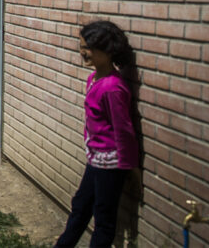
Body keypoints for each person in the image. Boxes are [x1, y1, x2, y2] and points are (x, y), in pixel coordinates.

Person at [54, 20, 139, 248]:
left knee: (103, 219)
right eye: (81, 46)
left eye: (88, 48)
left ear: (107, 50)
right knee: (81, 205)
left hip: (111, 163)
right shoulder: (94, 79)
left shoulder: (113, 87)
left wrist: (131, 168)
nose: (83, 52)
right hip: (95, 158)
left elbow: (124, 130)